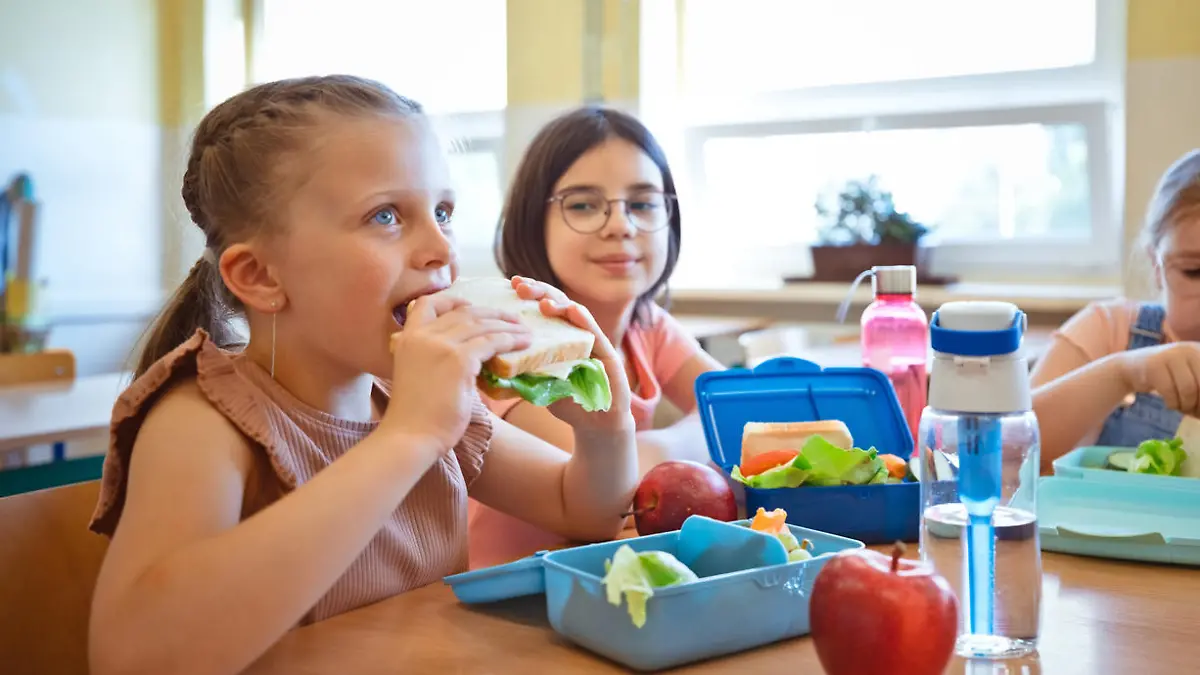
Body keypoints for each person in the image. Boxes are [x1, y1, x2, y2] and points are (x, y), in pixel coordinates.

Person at [85, 76, 638, 675]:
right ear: (262, 276)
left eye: (443, 212)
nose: (440, 250)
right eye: (385, 216)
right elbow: (135, 657)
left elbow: (583, 509)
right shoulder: (201, 421)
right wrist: (409, 438)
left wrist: (604, 432)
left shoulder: (414, 399)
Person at [468, 107, 724, 568]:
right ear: (531, 222)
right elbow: (617, 484)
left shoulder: (650, 325)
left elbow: (739, 411)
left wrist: (659, 449)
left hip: (603, 575)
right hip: (513, 599)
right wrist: (687, 439)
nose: (620, 225)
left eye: (643, 204)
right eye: (583, 204)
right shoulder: (516, 338)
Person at [1031, 149, 1200, 466]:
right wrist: (1125, 372)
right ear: (1156, 265)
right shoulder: (1109, 330)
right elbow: (1009, 448)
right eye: (1194, 272)